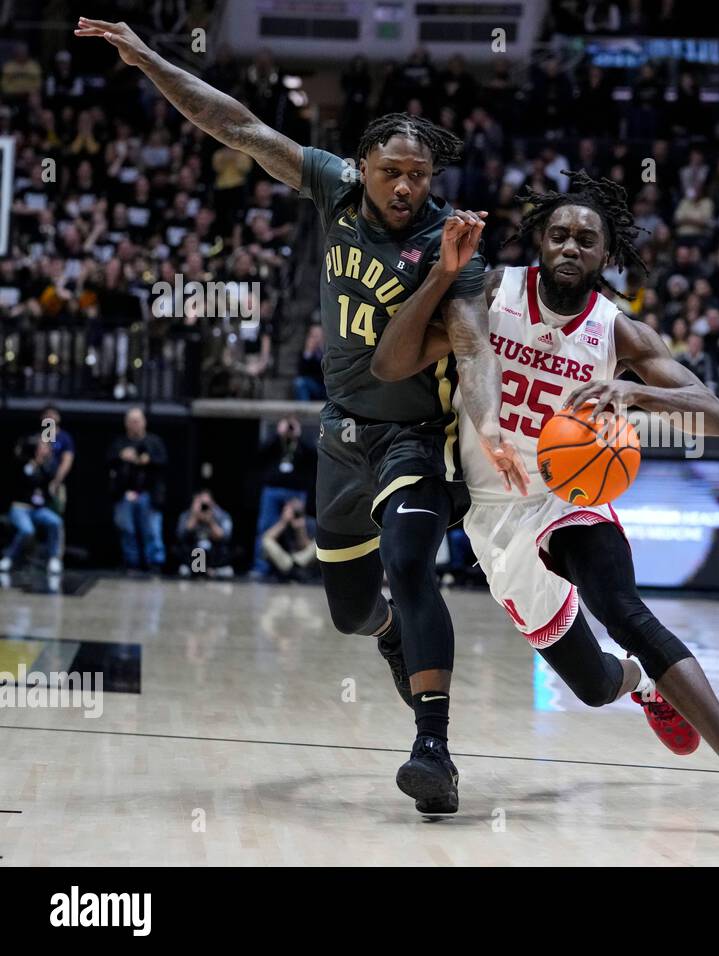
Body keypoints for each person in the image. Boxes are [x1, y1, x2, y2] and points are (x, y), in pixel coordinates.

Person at [76, 18, 527, 815]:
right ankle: (390, 636)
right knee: (354, 612)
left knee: (413, 560)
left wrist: (487, 426)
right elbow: (238, 125)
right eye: (392, 172)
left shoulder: (453, 245)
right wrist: (150, 61)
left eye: (419, 176)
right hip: (341, 431)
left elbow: (471, 343)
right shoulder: (332, 188)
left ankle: (434, 749)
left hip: (413, 437)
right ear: (364, 168)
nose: (405, 189)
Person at [373, 171, 719, 841]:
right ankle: (642, 685)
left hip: (569, 498)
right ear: (541, 241)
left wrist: (636, 397)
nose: (571, 246)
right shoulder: (491, 293)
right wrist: (435, 286)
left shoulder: (618, 333)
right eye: (560, 234)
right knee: (594, 684)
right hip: (493, 515)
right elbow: (390, 363)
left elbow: (716, 415)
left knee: (622, 608)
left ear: (605, 256)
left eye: (586, 239)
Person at [252, 415, 316, 577]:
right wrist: (277, 434)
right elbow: (260, 453)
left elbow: (314, 455)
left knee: (300, 526)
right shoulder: (274, 443)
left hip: (296, 491)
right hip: (272, 490)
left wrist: (298, 436)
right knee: (266, 527)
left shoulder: (302, 445)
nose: (289, 429)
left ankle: (301, 566)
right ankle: (261, 568)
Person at [106, 407, 168, 573]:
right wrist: (121, 456)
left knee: (152, 530)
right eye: (131, 421)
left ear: (144, 422)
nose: (134, 424)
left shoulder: (153, 442)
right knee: (127, 530)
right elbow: (108, 460)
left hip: (148, 494)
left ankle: (155, 563)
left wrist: (147, 460)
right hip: (125, 494)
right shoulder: (120, 443)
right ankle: (131, 562)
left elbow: (163, 461)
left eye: (137, 420)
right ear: (126, 424)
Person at [2, 437, 64, 575]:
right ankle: (8, 557)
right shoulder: (21, 464)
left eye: (47, 447)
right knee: (27, 531)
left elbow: (47, 489)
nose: (46, 449)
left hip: (37, 510)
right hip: (20, 508)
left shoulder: (46, 468)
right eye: (43, 446)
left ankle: (54, 558)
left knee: (55, 521)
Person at [176, 490, 234, 578]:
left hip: (215, 555)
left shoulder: (221, 515)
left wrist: (210, 521)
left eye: (206, 504)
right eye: (201, 503)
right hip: (192, 555)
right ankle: (198, 570)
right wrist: (194, 516)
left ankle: (211, 570)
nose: (203, 507)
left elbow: (224, 537)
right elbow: (182, 535)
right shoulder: (187, 515)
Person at [260, 498, 318, 582]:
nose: (295, 513)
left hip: (303, 560)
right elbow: (267, 538)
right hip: (285, 560)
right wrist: (283, 522)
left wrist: (300, 530)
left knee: (317, 544)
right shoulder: (282, 522)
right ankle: (292, 567)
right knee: (266, 541)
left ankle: (294, 566)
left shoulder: (309, 522)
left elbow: (307, 548)